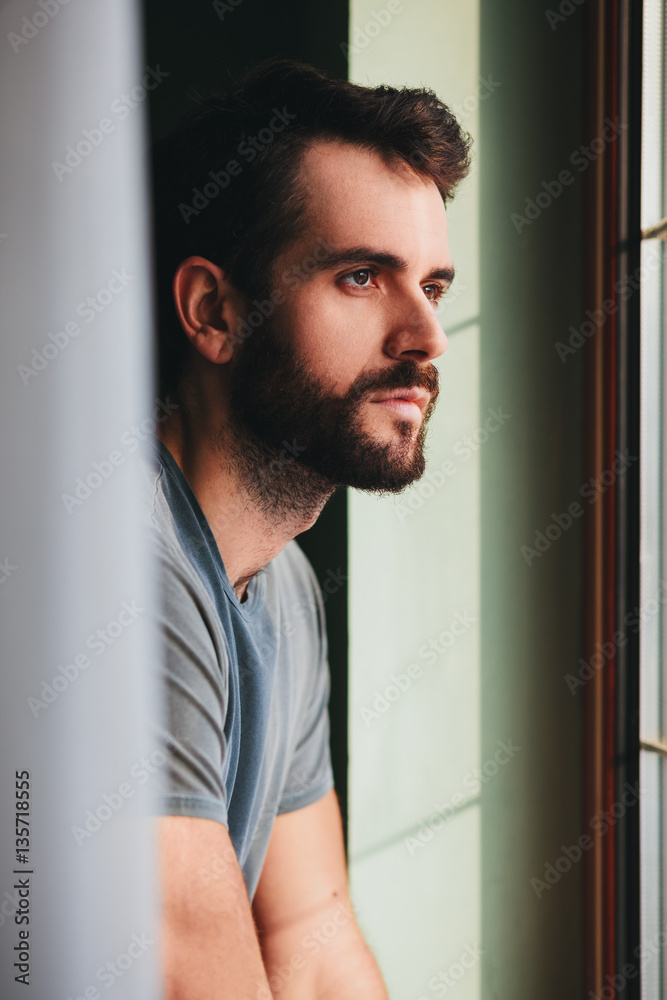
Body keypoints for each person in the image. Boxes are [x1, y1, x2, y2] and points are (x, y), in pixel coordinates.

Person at [144, 57, 471, 998]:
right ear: (215, 312)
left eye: (433, 287)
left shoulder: (279, 579)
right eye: (362, 277)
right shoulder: (115, 562)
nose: (426, 336)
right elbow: (190, 976)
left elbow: (312, 945)